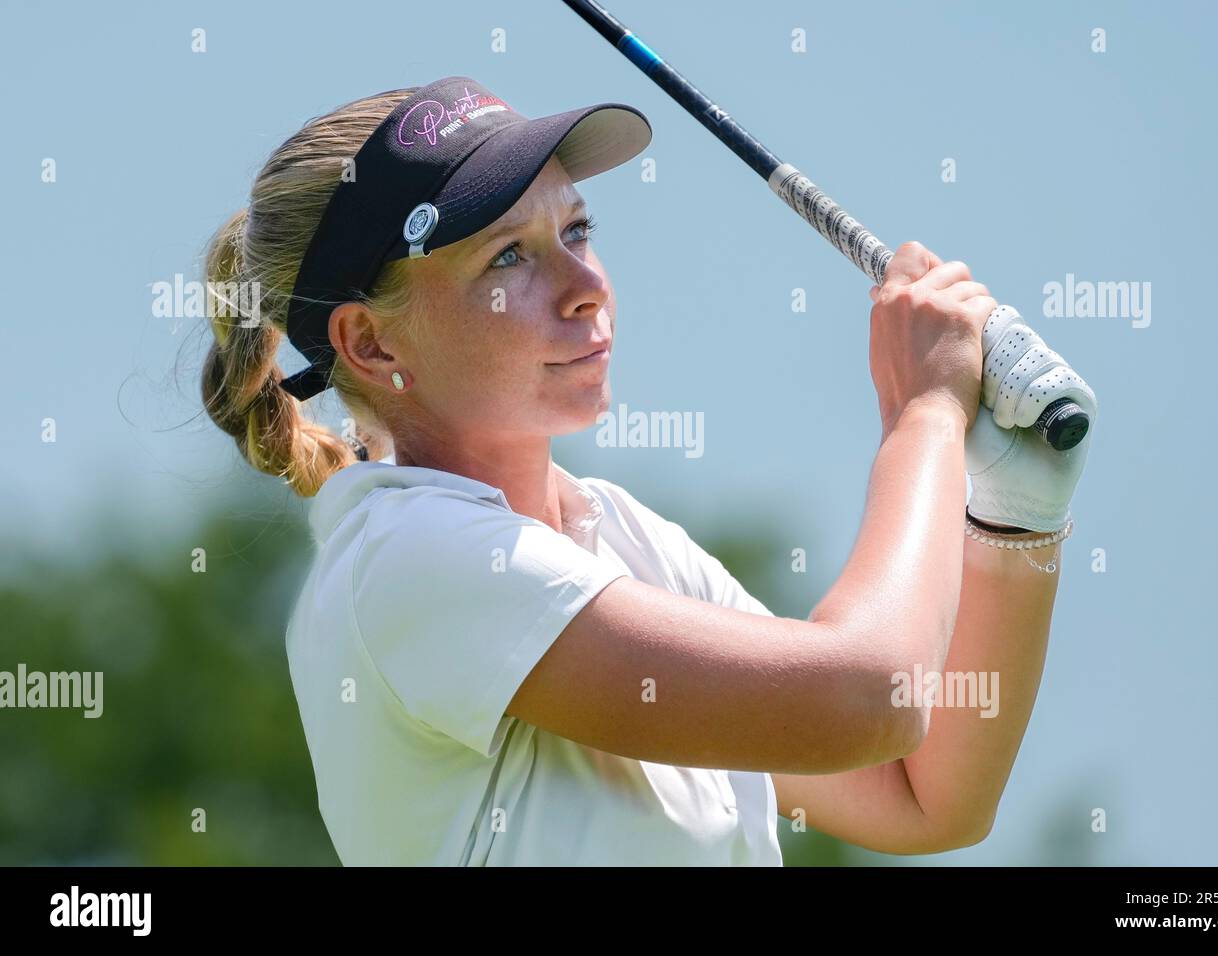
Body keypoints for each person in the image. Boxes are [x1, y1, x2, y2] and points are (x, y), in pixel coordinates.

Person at [199, 76, 1097, 865]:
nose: (582, 283)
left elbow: (922, 794)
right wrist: (927, 416)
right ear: (370, 340)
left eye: (576, 228)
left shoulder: (620, 538)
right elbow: (868, 694)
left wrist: (1013, 512)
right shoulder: (406, 556)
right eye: (506, 256)